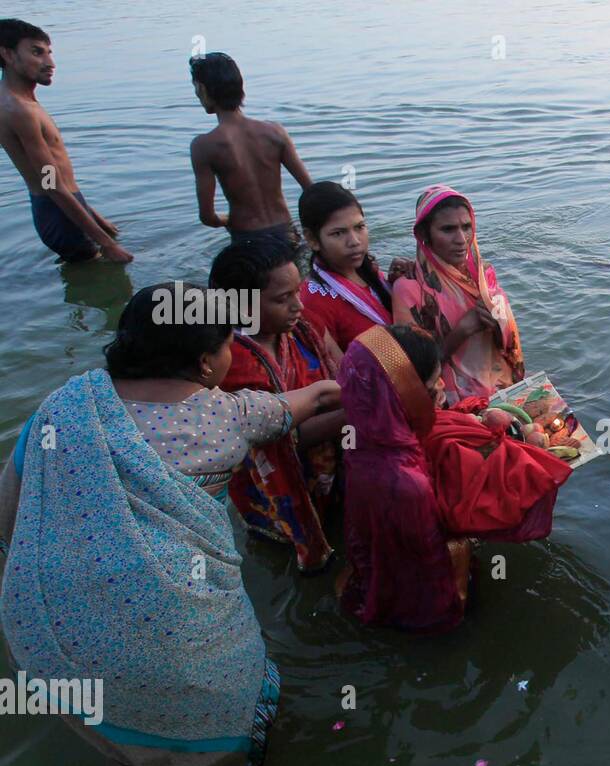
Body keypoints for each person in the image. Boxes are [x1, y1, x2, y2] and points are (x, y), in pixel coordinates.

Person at [0, 282, 338, 766]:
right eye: (228, 343)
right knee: (221, 701)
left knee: (114, 705)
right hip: (176, 646)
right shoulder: (227, 418)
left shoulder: (64, 407)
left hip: (51, 633)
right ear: (205, 362)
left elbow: (11, 515)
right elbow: (310, 399)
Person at [337, 325, 570, 632]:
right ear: (404, 395)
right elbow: (430, 567)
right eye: (433, 384)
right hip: (418, 594)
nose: (443, 388)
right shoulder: (407, 483)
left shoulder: (366, 435)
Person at [210, 237, 345, 572]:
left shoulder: (301, 329)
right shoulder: (232, 362)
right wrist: (363, 410)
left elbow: (340, 369)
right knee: (283, 545)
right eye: (283, 299)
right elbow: (285, 434)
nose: (298, 305)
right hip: (270, 488)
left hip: (324, 466)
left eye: (298, 291)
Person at [0, 19, 132, 263]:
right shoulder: (19, 110)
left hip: (64, 208)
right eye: (36, 52)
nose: (50, 63)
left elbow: (55, 177)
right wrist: (107, 243)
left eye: (49, 53)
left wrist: (95, 217)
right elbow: (50, 182)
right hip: (59, 214)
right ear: (7, 54)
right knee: (105, 286)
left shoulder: (20, 101)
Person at [391, 185, 525, 405]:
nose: (461, 239)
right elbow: (415, 372)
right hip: (452, 403)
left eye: (466, 227)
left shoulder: (482, 277)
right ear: (424, 234)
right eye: (448, 229)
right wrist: (463, 330)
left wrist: (497, 321)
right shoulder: (409, 288)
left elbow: (509, 345)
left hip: (503, 389)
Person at [189, 52, 311, 246]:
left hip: (248, 241)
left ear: (203, 89)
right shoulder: (275, 132)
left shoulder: (203, 146)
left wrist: (228, 220)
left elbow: (207, 217)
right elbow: (310, 190)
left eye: (195, 87)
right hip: (287, 235)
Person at [298, 181, 395, 351]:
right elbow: (336, 371)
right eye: (338, 233)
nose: (355, 241)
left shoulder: (372, 273)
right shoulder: (314, 302)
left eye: (359, 227)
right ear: (312, 239)